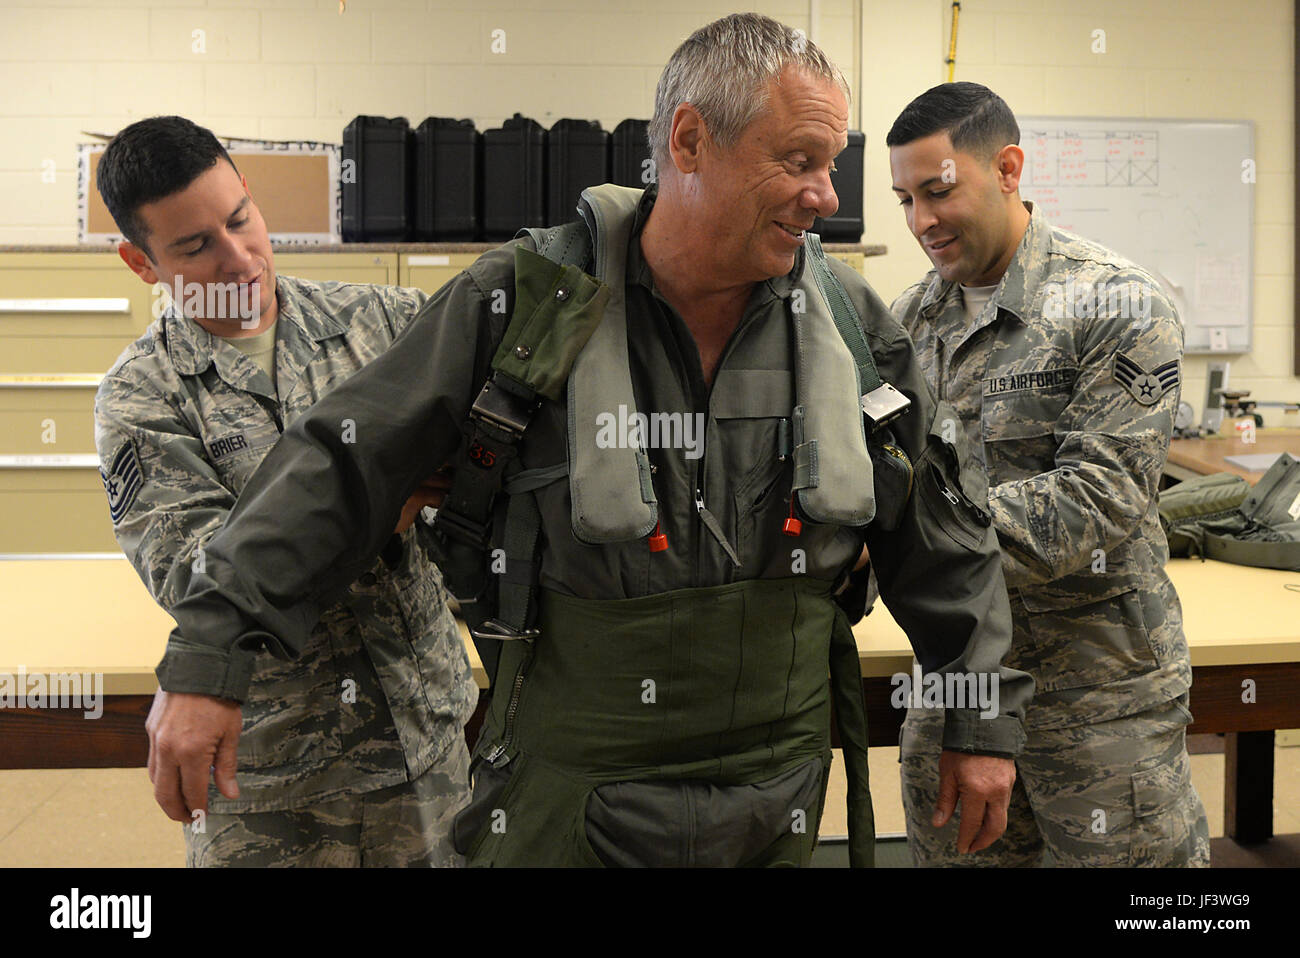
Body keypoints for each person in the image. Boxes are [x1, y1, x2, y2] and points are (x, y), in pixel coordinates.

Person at [146, 14, 1032, 868]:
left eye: (831, 165)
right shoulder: (524, 304)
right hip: (572, 777)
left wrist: (979, 714)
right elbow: (343, 462)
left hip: (782, 778)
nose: (827, 196)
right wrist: (209, 654)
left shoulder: (847, 322)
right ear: (689, 142)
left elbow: (936, 534)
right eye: (798, 161)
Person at [93, 116, 476, 866]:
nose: (238, 258)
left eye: (241, 219)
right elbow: (203, 583)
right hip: (272, 792)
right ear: (141, 263)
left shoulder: (386, 326)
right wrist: (384, 505)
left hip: (426, 750)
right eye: (196, 246)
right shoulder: (143, 398)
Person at [887, 81, 1210, 867]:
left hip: (1099, 703)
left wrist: (912, 534)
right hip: (959, 694)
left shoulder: (1115, 305)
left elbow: (1097, 498)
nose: (921, 221)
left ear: (1006, 168)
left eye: (937, 191)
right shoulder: (907, 324)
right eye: (904, 200)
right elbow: (882, 475)